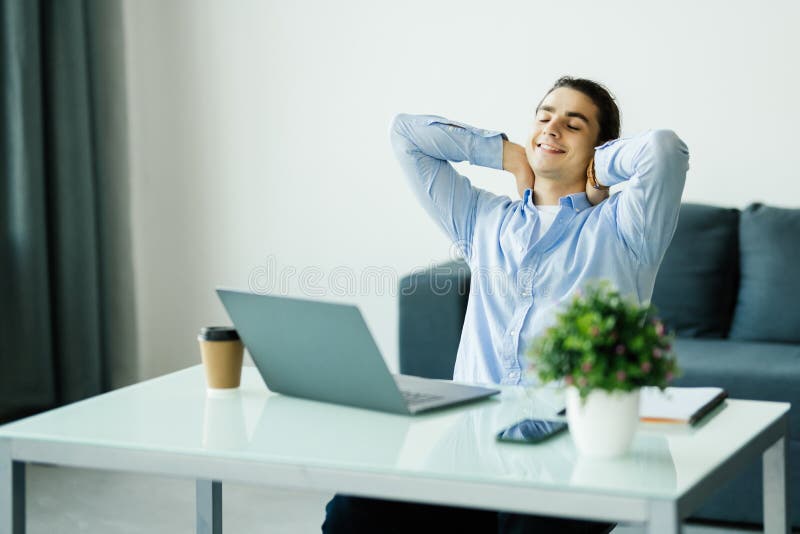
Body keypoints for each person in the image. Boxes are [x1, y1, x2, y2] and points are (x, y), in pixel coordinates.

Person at [322, 76, 689, 533]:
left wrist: (598, 172)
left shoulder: (624, 229)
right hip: (470, 456)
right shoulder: (483, 218)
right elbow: (406, 134)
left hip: (572, 459)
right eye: (544, 117)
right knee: (352, 509)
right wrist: (505, 155)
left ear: (598, 148)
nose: (552, 128)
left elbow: (664, 151)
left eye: (573, 124)